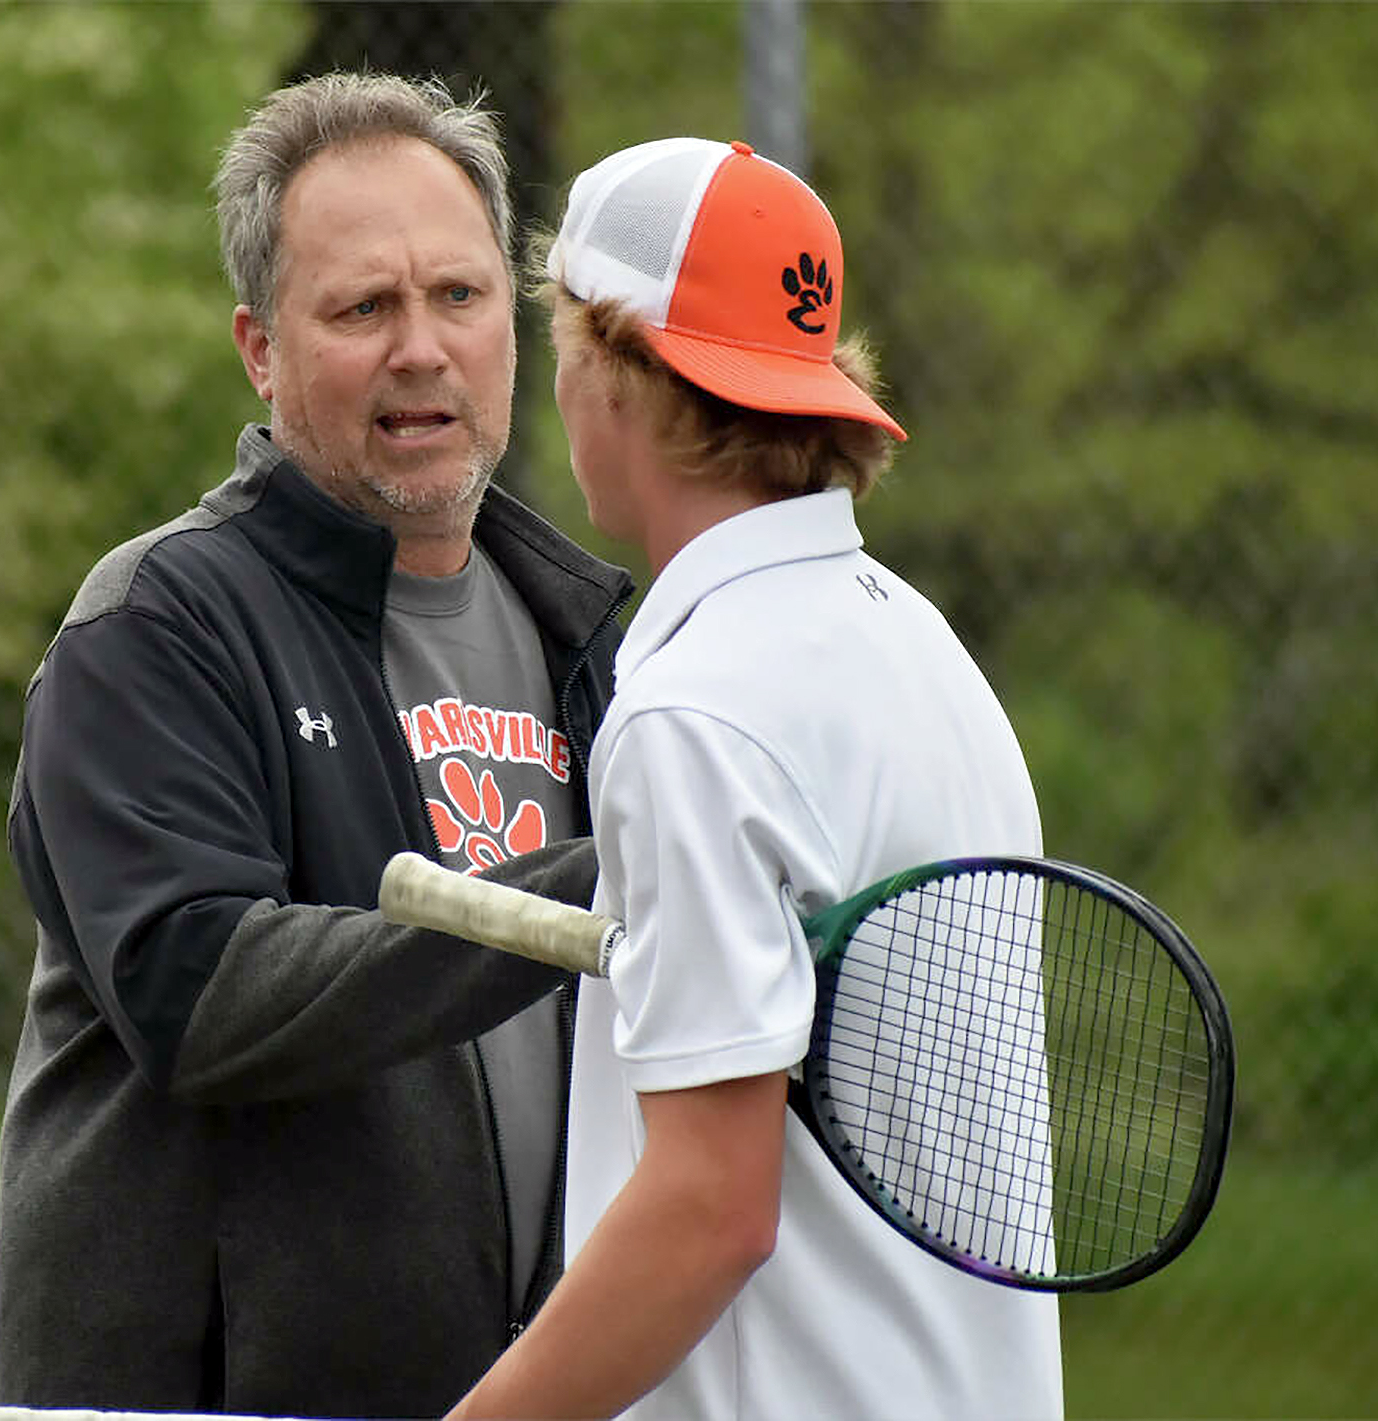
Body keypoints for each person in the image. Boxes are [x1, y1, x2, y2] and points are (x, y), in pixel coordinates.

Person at [0, 73, 632, 1417]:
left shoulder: (603, 647)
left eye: (459, 296)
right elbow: (197, 983)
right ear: (261, 349)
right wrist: (596, 886)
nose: (423, 349)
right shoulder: (157, 624)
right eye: (363, 308)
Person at [445, 139, 1064, 1420]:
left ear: (617, 371)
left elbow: (710, 1210)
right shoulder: (914, 642)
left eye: (558, 332)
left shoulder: (694, 710)